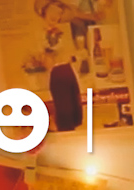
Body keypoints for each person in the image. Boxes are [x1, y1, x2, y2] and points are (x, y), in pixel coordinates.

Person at [34, 0, 86, 132]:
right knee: (65, 111)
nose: (55, 16)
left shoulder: (64, 31)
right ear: (44, 12)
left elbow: (71, 52)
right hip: (56, 73)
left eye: (59, 13)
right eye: (52, 11)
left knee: (74, 108)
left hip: (68, 70)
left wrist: (75, 56)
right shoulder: (41, 34)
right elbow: (45, 56)